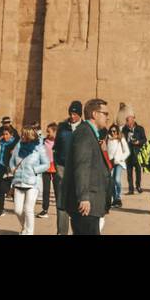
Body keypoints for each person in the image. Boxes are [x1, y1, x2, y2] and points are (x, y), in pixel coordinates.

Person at [61, 97, 113, 235]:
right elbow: (82, 166)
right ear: (95, 114)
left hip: (91, 203)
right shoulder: (84, 133)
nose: (108, 118)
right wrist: (84, 197)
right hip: (86, 204)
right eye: (105, 114)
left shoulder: (90, 133)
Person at [9, 125, 51, 235]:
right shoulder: (18, 146)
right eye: (22, 134)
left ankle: (29, 232)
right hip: (18, 181)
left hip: (33, 183)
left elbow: (46, 164)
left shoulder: (39, 148)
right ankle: (25, 227)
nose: (22, 136)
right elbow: (12, 160)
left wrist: (34, 170)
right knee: (18, 210)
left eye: (24, 134)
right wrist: (13, 169)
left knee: (28, 209)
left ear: (30, 136)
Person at [52, 100, 82, 235]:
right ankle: (61, 232)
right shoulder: (62, 127)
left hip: (79, 169)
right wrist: (58, 167)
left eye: (75, 113)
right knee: (62, 202)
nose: (73, 116)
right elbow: (56, 148)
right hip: (63, 167)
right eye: (71, 113)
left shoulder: (85, 128)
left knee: (77, 202)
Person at [0, 123, 18, 216]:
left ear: (11, 135)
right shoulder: (0, 142)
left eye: (7, 134)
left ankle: (17, 206)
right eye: (4, 134)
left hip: (8, 169)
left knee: (7, 189)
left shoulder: (14, 143)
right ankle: (1, 209)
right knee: (0, 189)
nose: (5, 136)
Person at [104, 124, 129, 207]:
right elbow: (106, 151)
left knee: (117, 180)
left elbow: (127, 152)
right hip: (110, 163)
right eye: (111, 131)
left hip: (118, 163)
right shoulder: (108, 139)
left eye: (114, 131)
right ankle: (114, 199)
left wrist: (120, 159)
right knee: (111, 181)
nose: (113, 133)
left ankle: (118, 198)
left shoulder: (121, 139)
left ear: (117, 131)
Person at [122, 114, 147, 195]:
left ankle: (138, 186)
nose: (126, 122)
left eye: (127, 121)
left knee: (138, 171)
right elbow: (122, 139)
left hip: (137, 153)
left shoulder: (140, 129)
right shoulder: (124, 129)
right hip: (128, 153)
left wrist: (138, 142)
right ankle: (131, 189)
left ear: (132, 121)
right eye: (126, 120)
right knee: (129, 172)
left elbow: (144, 139)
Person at [39, 122, 57, 218]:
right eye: (47, 131)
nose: (47, 133)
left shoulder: (58, 142)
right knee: (46, 190)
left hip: (55, 167)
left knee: (57, 189)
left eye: (49, 131)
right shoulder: (43, 141)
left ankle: (60, 209)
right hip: (46, 167)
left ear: (55, 132)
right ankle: (45, 209)